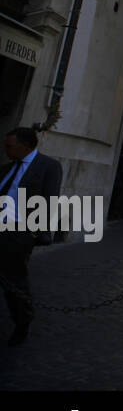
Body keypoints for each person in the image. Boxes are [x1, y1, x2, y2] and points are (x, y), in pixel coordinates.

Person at [0, 128, 64, 346]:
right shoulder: (7, 168)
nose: (6, 149)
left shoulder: (48, 166)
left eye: (10, 146)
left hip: (18, 232)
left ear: (25, 146)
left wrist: (43, 231)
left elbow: (49, 199)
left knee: (14, 280)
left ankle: (22, 321)